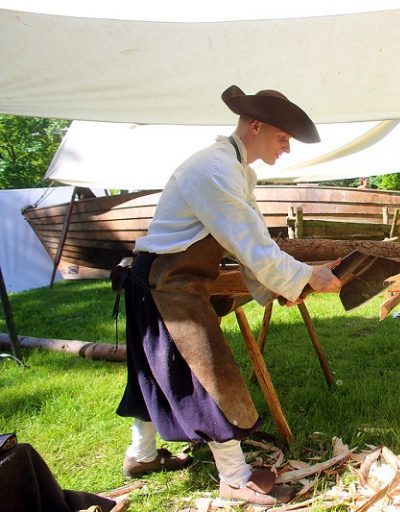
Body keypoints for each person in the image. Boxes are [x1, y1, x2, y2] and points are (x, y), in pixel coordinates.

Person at [114, 85, 341, 506]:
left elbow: (250, 241)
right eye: (281, 138)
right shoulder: (215, 170)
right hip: (166, 286)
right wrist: (309, 276)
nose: (286, 149)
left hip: (164, 281)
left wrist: (281, 289)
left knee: (152, 372)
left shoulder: (237, 170)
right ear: (254, 126)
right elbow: (253, 247)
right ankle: (235, 478)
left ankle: (141, 455)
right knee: (210, 373)